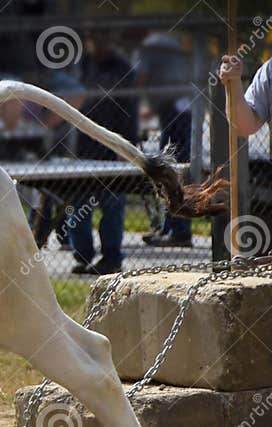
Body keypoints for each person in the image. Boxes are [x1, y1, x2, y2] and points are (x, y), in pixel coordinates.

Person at [68, 33, 138, 276]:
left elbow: (130, 109)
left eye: (103, 39)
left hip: (112, 145)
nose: (98, 45)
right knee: (78, 205)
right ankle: (82, 256)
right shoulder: (81, 66)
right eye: (95, 40)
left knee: (112, 205)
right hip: (82, 148)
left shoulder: (122, 68)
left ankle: (111, 257)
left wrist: (127, 146)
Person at [137, 31, 194, 248]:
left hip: (174, 109)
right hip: (179, 108)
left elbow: (141, 77)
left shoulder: (152, 44)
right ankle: (171, 228)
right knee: (173, 168)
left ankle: (178, 231)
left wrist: (140, 106)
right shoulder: (169, 43)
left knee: (170, 169)